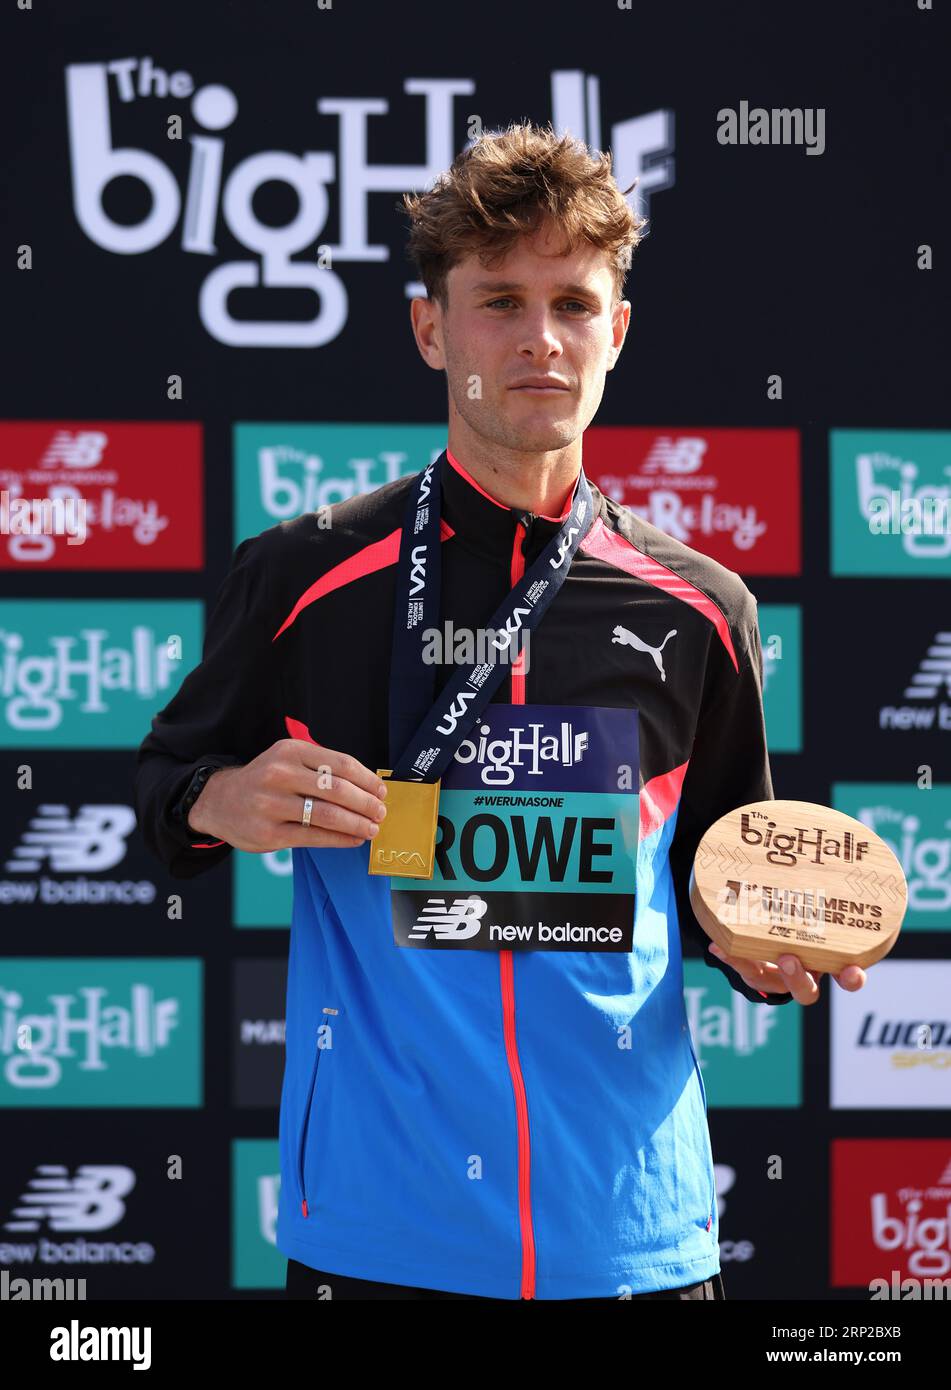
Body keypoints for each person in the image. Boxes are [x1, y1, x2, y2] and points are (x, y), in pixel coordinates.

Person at [134, 121, 866, 1302]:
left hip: (634, 1241)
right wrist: (223, 798)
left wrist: (764, 948)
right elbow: (163, 791)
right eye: (499, 301)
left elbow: (719, 872)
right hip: (379, 1243)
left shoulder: (704, 611)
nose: (540, 340)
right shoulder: (303, 576)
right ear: (432, 327)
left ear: (617, 332)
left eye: (575, 304)